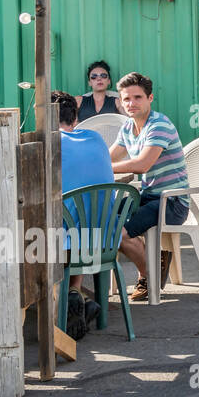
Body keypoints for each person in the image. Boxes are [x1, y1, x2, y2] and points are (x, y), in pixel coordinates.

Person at [109, 72, 190, 303]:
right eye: (126, 99)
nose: (131, 104)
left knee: (119, 234)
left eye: (137, 97)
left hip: (172, 202)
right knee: (106, 221)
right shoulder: (128, 128)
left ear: (150, 98)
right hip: (147, 196)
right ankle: (155, 259)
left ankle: (149, 275)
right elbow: (108, 156)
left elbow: (142, 165)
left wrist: (106, 167)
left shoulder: (159, 125)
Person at [53, 90, 113, 338]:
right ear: (75, 118)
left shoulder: (50, 145)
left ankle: (59, 306)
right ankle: (74, 295)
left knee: (24, 235)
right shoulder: (96, 138)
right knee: (73, 222)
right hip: (104, 242)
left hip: (68, 247)